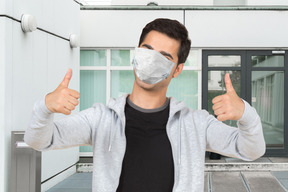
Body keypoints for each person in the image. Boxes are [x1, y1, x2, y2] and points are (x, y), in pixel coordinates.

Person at [24, 18, 265, 192]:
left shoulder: (195, 123)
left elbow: (250, 150)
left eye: (165, 56)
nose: (151, 59)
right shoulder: (101, 118)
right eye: (147, 49)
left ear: (177, 70)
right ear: (136, 52)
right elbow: (40, 140)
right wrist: (45, 108)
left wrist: (246, 115)